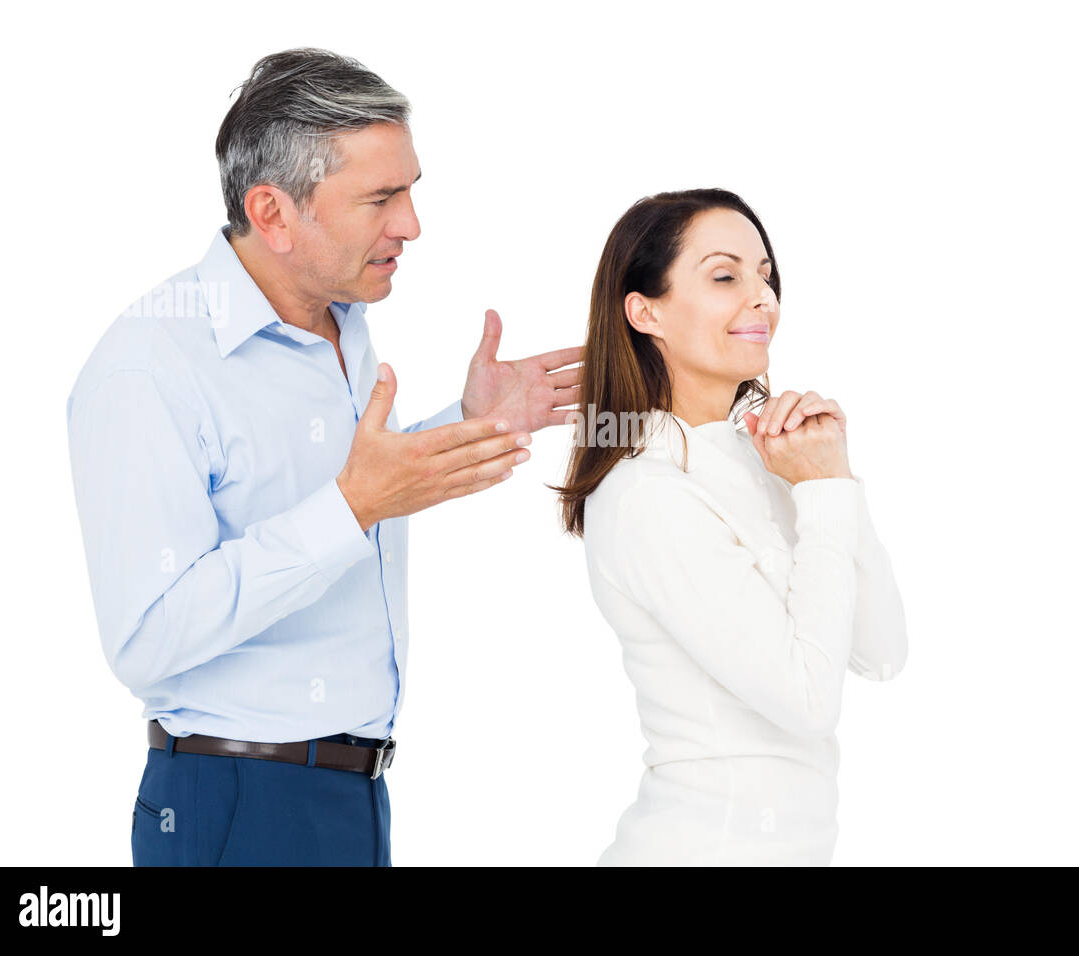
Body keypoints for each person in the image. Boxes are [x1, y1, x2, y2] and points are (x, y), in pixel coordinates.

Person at [66, 48, 581, 866]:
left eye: (410, 190)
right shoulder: (149, 368)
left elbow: (345, 488)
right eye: (382, 198)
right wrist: (351, 510)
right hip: (238, 805)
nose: (411, 224)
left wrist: (473, 421)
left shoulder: (336, 321)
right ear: (272, 212)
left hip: (351, 795)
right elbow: (146, 637)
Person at [554, 188, 908, 866]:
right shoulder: (646, 495)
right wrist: (824, 493)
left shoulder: (772, 460)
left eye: (765, 276)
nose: (762, 298)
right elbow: (807, 701)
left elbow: (883, 652)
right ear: (645, 310)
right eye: (725, 276)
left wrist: (830, 479)